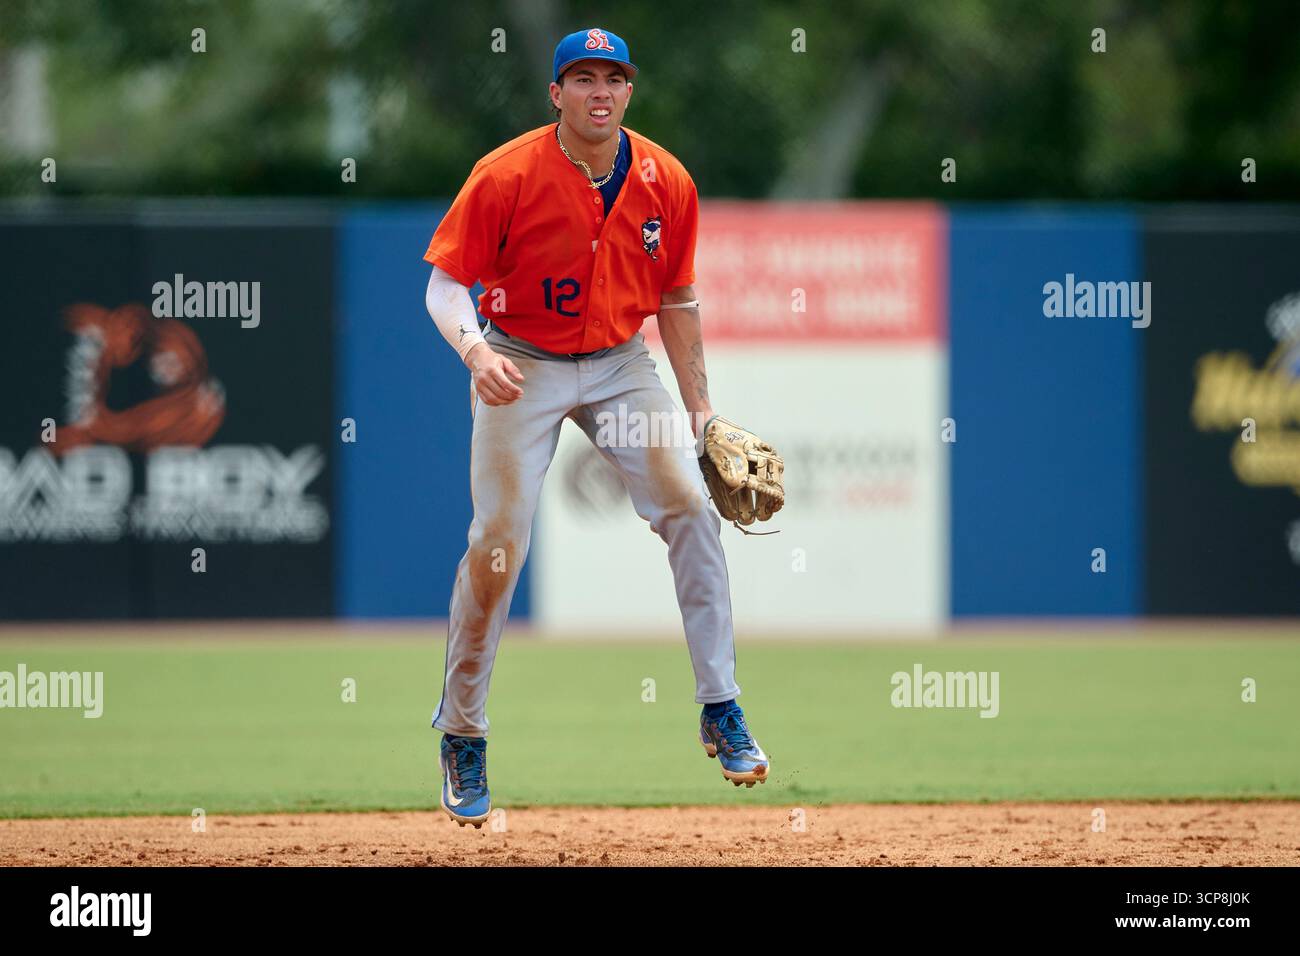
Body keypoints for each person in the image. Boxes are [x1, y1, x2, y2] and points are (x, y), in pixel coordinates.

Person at [422, 27, 769, 828]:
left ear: (629, 90)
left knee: (688, 502)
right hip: (518, 358)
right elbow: (444, 285)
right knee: (497, 544)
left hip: (619, 363)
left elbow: (677, 301)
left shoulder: (665, 179)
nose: (598, 92)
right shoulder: (505, 174)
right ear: (556, 94)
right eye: (581, 78)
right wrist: (474, 350)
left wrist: (701, 408)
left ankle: (721, 706)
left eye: (612, 78)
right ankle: (463, 731)